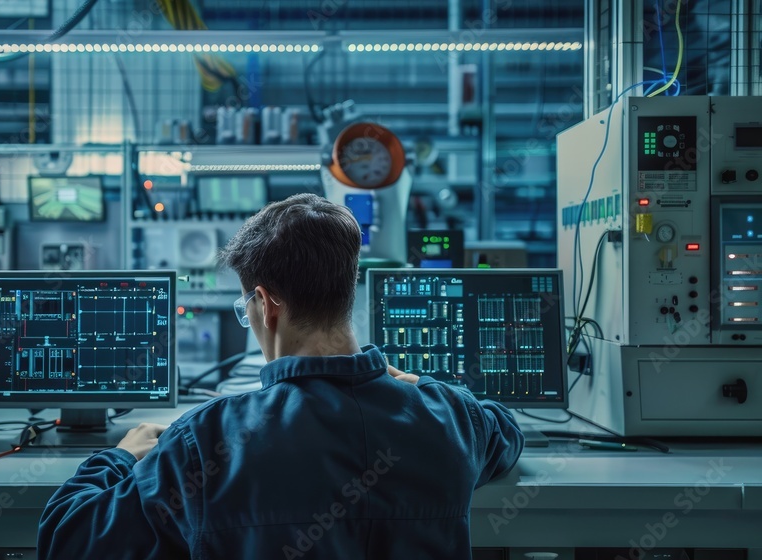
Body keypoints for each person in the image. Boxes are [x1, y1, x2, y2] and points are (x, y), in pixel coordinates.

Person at [38, 193, 523, 559]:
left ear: (267, 305)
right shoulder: (452, 418)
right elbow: (506, 431)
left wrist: (118, 458)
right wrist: (423, 387)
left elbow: (66, 540)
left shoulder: (207, 439)